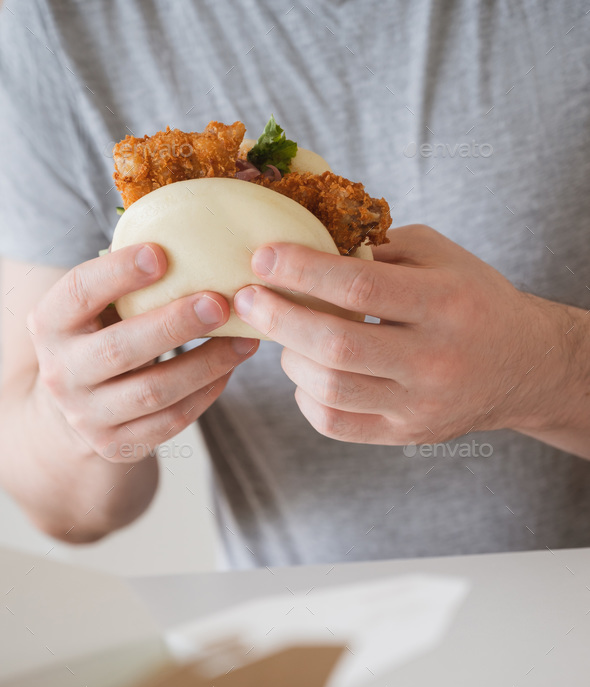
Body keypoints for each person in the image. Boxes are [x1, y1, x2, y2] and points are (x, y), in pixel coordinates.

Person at [0, 1, 588, 569]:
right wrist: (78, 417)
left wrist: (546, 372)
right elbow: (66, 513)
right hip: (284, 634)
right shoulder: (52, 22)